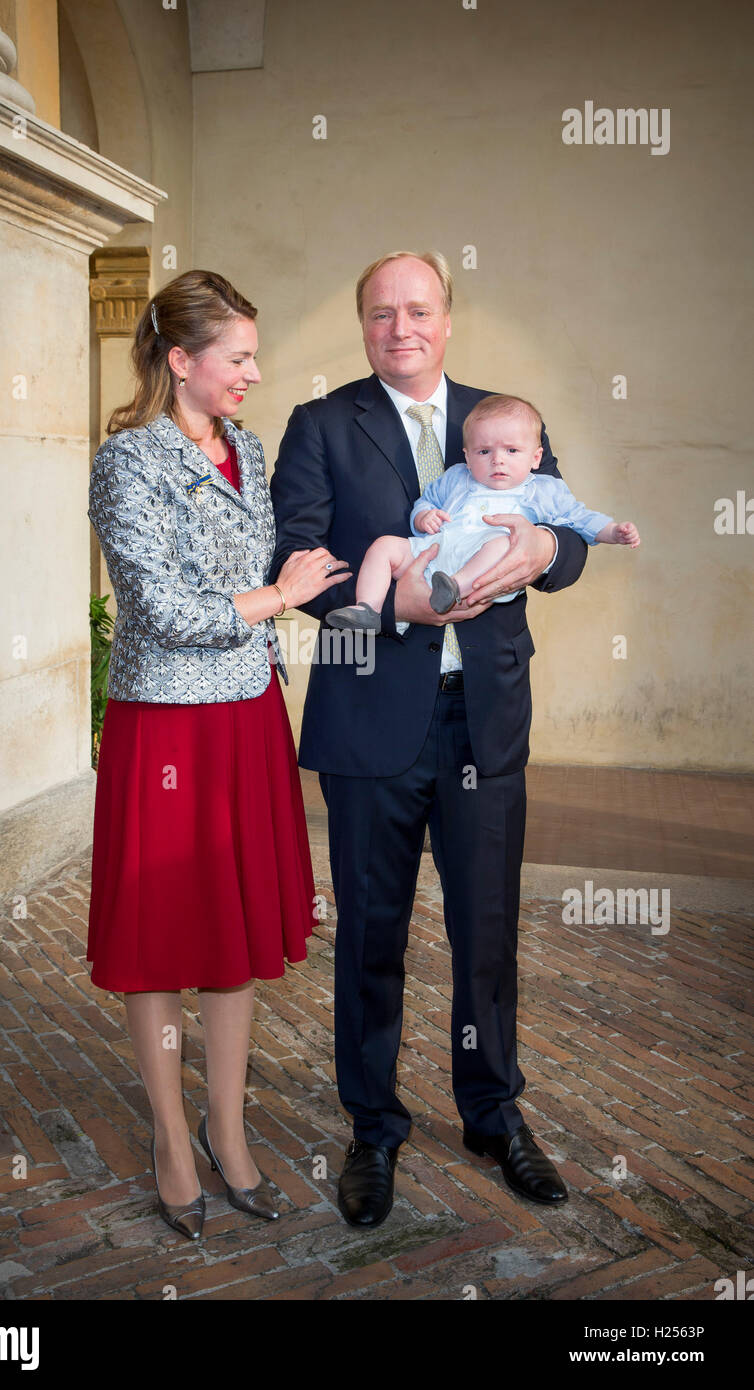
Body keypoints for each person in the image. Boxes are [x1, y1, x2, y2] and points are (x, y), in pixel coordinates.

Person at [270, 250, 588, 1228]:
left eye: (416, 310)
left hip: (482, 721)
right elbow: (295, 557)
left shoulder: (505, 418)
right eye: (378, 313)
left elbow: (564, 543)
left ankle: (492, 1112)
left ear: (446, 317)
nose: (398, 327)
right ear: (361, 326)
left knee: (484, 931)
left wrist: (543, 547)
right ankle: (372, 1127)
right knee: (370, 935)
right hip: (370, 721)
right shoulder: (322, 423)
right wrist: (391, 600)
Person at [87, 269, 349, 1241]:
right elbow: (159, 609)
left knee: (232, 936)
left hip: (244, 715)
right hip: (165, 725)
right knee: (162, 938)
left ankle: (227, 1133)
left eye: (251, 354)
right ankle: (167, 1139)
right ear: (181, 361)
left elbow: (279, 565)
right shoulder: (126, 462)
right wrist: (272, 600)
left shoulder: (247, 444)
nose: (252, 370)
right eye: (236, 356)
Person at [327, 392, 639, 630]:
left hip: (483, 569)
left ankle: (455, 589)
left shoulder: (542, 488)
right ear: (467, 455)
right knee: (385, 546)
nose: (497, 460)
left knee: (504, 543)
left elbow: (578, 518)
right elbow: (427, 502)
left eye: (512, 451)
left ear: (536, 456)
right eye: (484, 451)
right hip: (437, 551)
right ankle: (368, 608)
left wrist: (612, 531)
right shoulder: (457, 476)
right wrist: (423, 517)